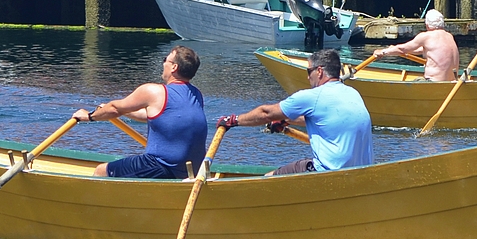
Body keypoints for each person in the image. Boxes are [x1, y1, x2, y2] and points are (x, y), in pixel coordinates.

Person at [217, 48, 373, 176]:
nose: (307, 77)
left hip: (328, 173)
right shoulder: (353, 93)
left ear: (319, 71)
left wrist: (233, 120)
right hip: (361, 174)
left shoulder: (313, 96)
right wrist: (288, 121)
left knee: (268, 178)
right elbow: (325, 121)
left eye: (308, 71)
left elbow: (266, 113)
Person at [73, 46, 207, 178]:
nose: (163, 63)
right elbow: (158, 116)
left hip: (161, 165)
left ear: (174, 67)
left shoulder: (154, 91)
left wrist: (89, 116)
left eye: (165, 59)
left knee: (101, 171)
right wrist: (121, 111)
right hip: (192, 170)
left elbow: (114, 108)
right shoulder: (196, 94)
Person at [370, 9, 459, 81]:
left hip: (434, 83)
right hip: (451, 82)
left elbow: (403, 49)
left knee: (415, 82)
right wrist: (393, 50)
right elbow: (425, 50)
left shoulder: (426, 36)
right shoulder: (449, 36)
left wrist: (383, 52)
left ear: (427, 25)